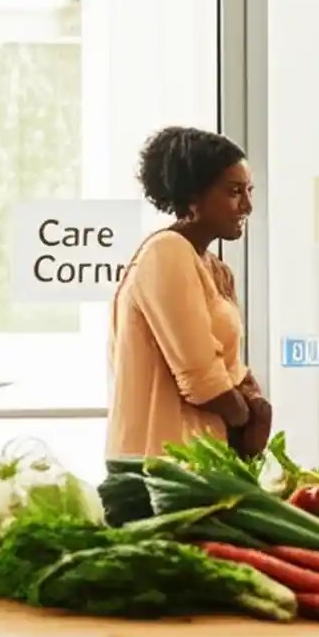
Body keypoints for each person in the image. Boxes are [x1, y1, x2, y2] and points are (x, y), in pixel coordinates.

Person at [107, 126, 271, 459]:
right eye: (234, 191)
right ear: (194, 196)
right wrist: (246, 417)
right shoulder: (167, 251)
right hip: (157, 468)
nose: (247, 206)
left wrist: (253, 403)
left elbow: (231, 368)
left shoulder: (214, 267)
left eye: (249, 190)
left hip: (199, 462)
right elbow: (203, 382)